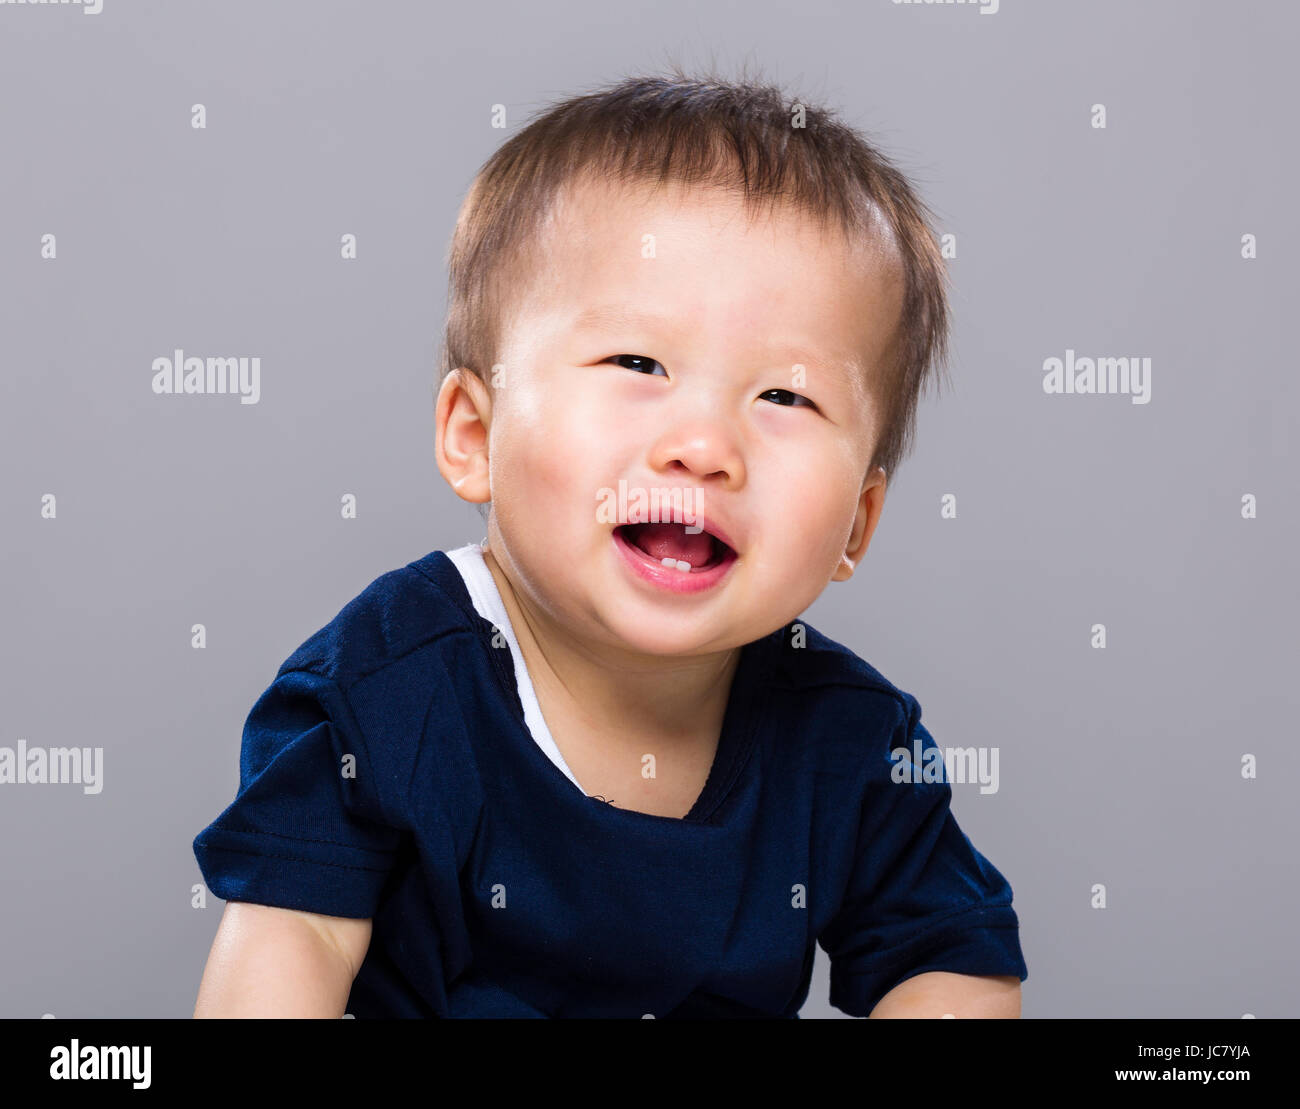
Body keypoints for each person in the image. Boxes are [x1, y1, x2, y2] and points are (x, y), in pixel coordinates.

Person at [192, 65, 1027, 1018]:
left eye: (785, 396)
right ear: (475, 436)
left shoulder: (849, 741)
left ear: (858, 525)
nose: (704, 447)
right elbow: (289, 936)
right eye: (638, 362)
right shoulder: (388, 694)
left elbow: (954, 958)